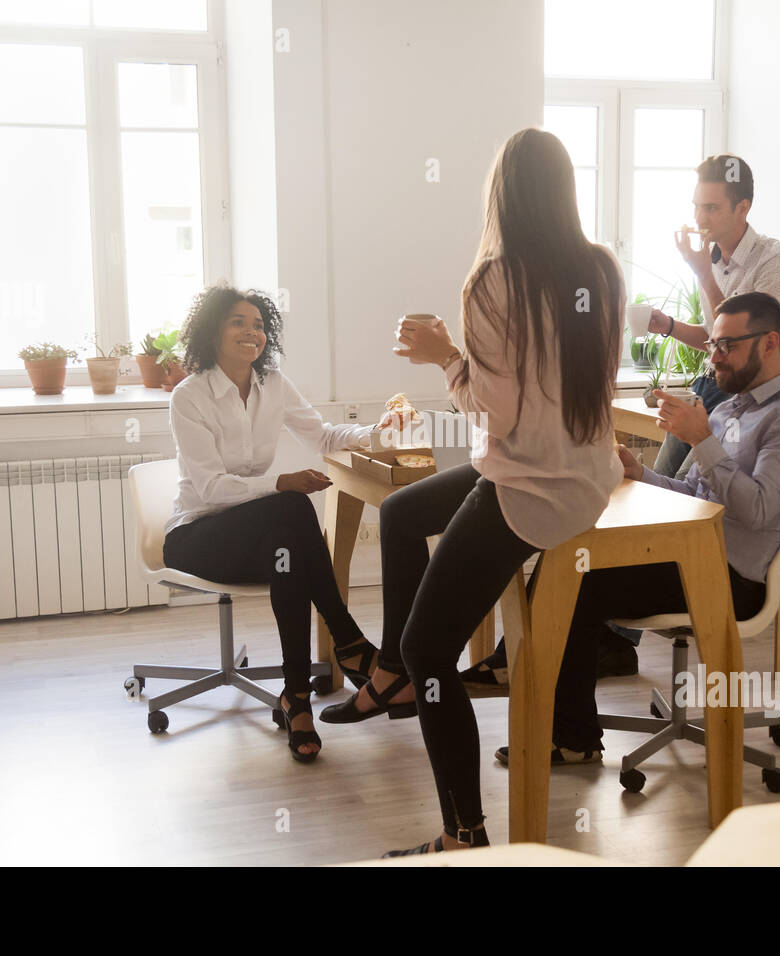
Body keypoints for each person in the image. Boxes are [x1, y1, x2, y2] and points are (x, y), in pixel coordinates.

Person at [319, 128, 625, 856]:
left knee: (434, 651)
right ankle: (389, 671)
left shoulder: (494, 280)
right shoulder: (603, 271)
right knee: (400, 511)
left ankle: (464, 834)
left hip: (527, 486)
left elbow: (496, 411)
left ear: (502, 195)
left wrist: (443, 356)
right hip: (586, 475)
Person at [493, 292, 780, 765]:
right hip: (692, 558)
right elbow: (693, 491)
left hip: (734, 581)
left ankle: (568, 733)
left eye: (726, 346)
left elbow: (756, 510)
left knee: (579, 581)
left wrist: (703, 440)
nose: (713, 357)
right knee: (567, 554)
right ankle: (542, 696)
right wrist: (639, 473)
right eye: (712, 344)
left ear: (770, 343)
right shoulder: (728, 410)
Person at [162, 285, 397, 764]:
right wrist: (281, 482)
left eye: (259, 325)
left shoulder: (273, 384)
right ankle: (349, 642)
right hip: (198, 535)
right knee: (289, 507)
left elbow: (325, 434)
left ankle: (297, 698)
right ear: (212, 332)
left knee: (287, 543)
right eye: (238, 323)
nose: (253, 333)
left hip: (260, 534)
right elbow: (211, 490)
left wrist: (378, 433)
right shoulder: (190, 396)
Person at [650, 154, 780, 481]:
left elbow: (741, 343)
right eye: (697, 206)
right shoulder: (712, 260)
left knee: (687, 493)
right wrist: (669, 326)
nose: (700, 217)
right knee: (661, 483)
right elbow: (713, 338)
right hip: (708, 388)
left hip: (748, 399)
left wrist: (704, 274)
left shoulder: (775, 262)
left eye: (711, 208)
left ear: (743, 208)